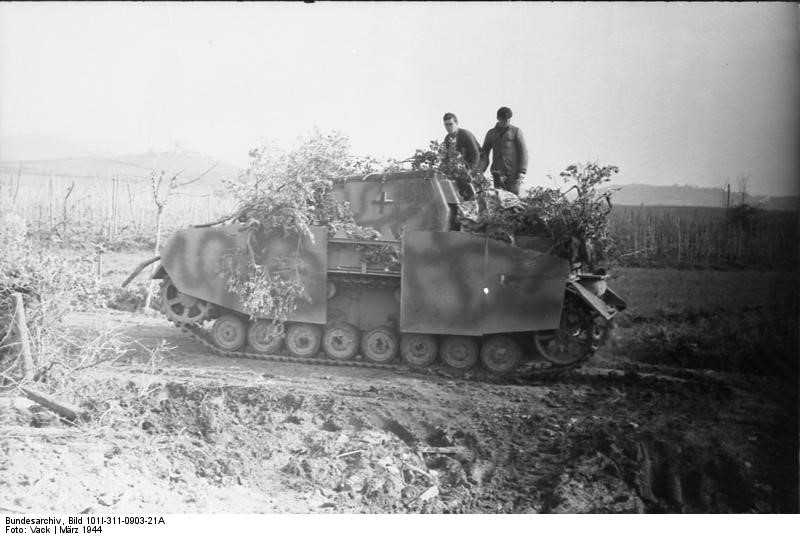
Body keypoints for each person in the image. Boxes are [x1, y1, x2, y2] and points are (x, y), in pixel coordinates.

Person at [479, 106, 528, 195]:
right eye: (504, 120)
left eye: (508, 120)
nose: (506, 122)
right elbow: (484, 154)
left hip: (513, 173)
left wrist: (522, 171)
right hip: (497, 172)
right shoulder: (491, 133)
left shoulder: (516, 131)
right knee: (500, 200)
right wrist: (480, 170)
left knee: (513, 200)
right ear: (498, 118)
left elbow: (523, 152)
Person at [441, 112, 481, 200]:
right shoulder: (447, 138)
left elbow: (476, 155)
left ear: (456, 123)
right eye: (446, 125)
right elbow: (448, 157)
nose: (448, 127)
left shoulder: (465, 134)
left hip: (473, 169)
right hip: (459, 172)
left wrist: (470, 171)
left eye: (450, 124)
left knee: (474, 197)